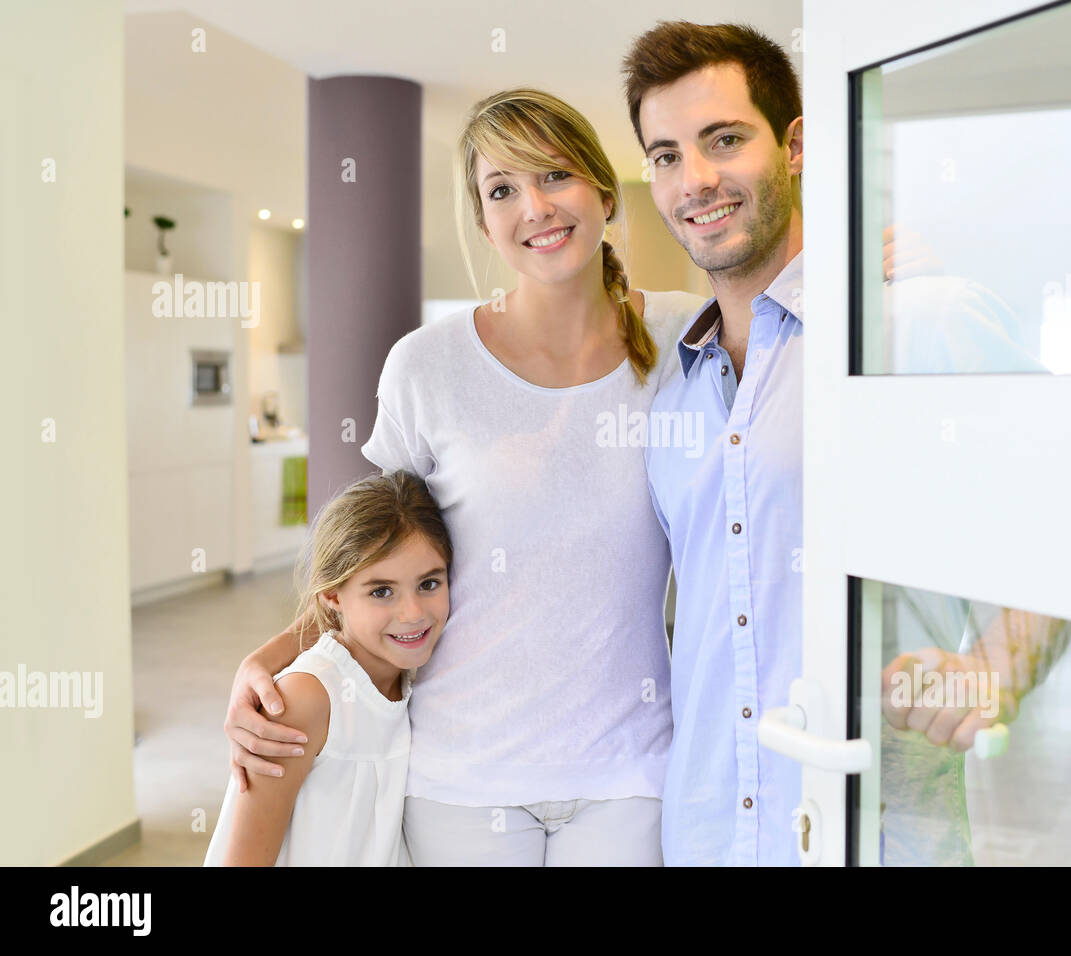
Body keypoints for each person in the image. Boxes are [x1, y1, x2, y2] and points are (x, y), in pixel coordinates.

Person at [622, 20, 1071, 866]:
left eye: (725, 139)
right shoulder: (669, 390)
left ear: (796, 146)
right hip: (708, 837)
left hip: (876, 827)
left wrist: (994, 666)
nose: (696, 179)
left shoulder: (916, 323)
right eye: (667, 155)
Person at [222, 88, 707, 865]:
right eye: (502, 190)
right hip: (462, 776)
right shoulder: (427, 365)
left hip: (629, 770)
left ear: (606, 192)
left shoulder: (688, 335)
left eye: (555, 175)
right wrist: (272, 656)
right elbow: (376, 561)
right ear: (484, 222)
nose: (535, 207)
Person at [204, 471, 451, 865]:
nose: (413, 613)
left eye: (428, 584)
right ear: (333, 595)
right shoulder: (305, 700)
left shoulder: (411, 682)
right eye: (381, 591)